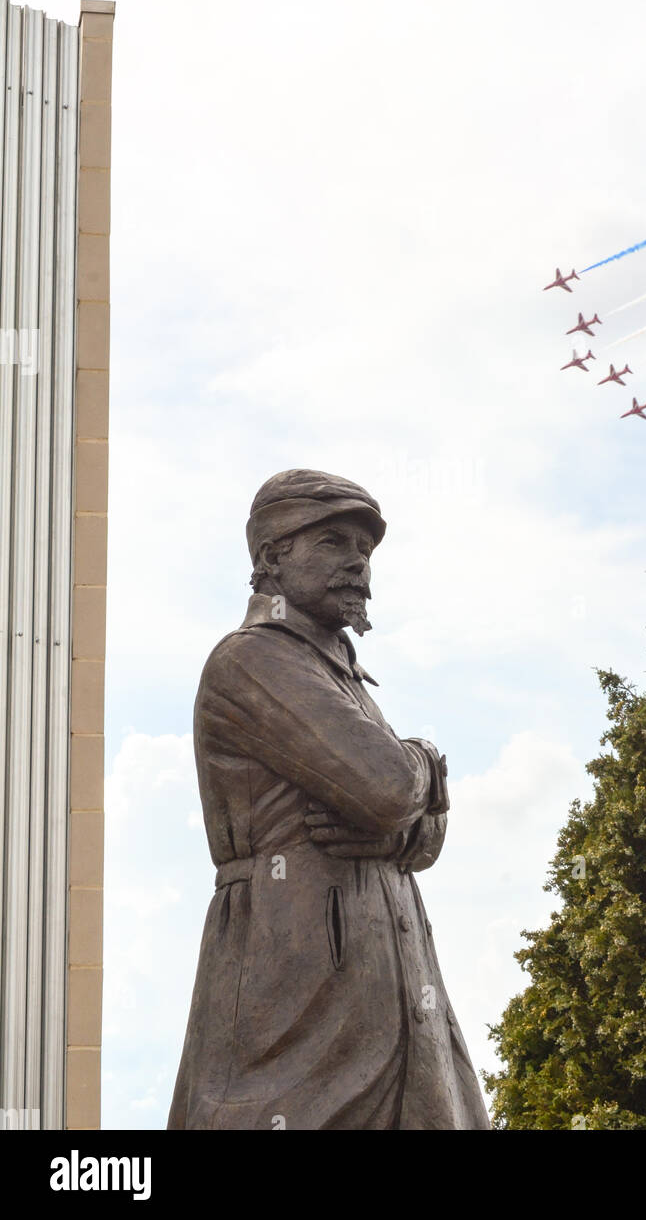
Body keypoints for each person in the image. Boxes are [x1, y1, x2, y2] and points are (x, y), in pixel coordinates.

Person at [168, 468, 490, 1130]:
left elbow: (416, 836)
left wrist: (401, 831)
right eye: (334, 544)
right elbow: (386, 788)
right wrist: (426, 761)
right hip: (300, 996)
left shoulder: (339, 675)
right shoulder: (255, 660)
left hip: (392, 991)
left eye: (365, 552)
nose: (357, 567)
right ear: (271, 558)